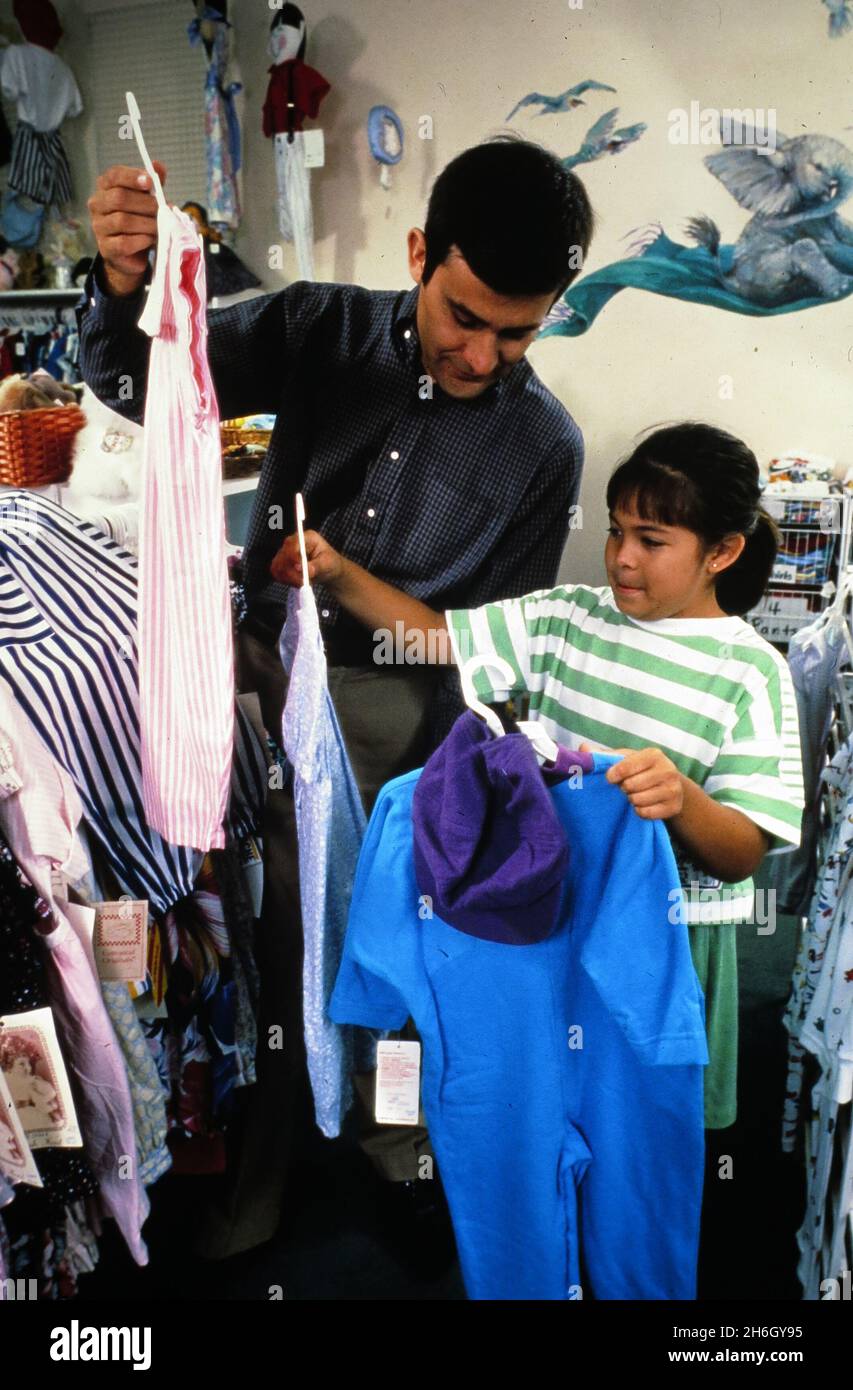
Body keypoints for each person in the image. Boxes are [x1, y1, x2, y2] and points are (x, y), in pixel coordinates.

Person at [79, 134, 594, 1262]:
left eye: (520, 329)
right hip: (258, 685)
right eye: (465, 316)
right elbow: (144, 391)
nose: (485, 355)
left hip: (409, 728)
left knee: (382, 958)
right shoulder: (316, 327)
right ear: (419, 252)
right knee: (253, 946)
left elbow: (486, 655)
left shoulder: (543, 445)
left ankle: (389, 1155)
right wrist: (127, 290)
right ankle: (256, 1167)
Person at [271, 421, 806, 1132]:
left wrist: (680, 799)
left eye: (650, 541)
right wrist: (337, 573)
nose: (620, 558)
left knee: (633, 1127)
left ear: (722, 552)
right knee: (541, 1104)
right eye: (616, 532)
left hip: (661, 946)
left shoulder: (750, 672)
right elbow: (433, 638)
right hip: (547, 916)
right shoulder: (567, 619)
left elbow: (741, 854)